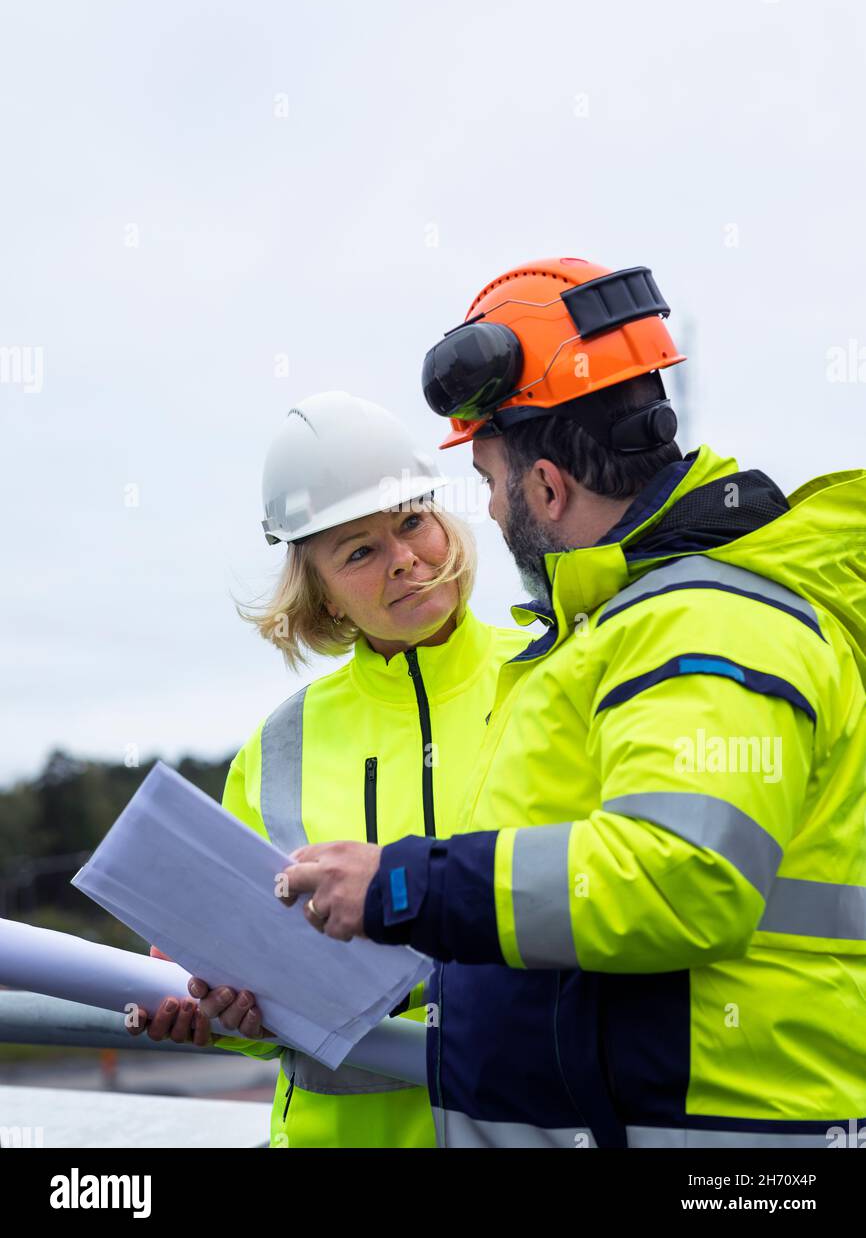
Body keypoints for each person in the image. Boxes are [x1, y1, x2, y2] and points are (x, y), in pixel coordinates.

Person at [281, 257, 866, 1148]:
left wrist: (404, 883)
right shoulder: (627, 624)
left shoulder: (704, 619)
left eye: (490, 481)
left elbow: (677, 878)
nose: (490, 509)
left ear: (548, 486)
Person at [126, 390, 527, 1148]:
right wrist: (222, 1012)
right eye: (359, 552)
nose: (404, 559)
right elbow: (253, 996)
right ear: (324, 596)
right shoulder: (278, 748)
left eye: (411, 522)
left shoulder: (550, 677)